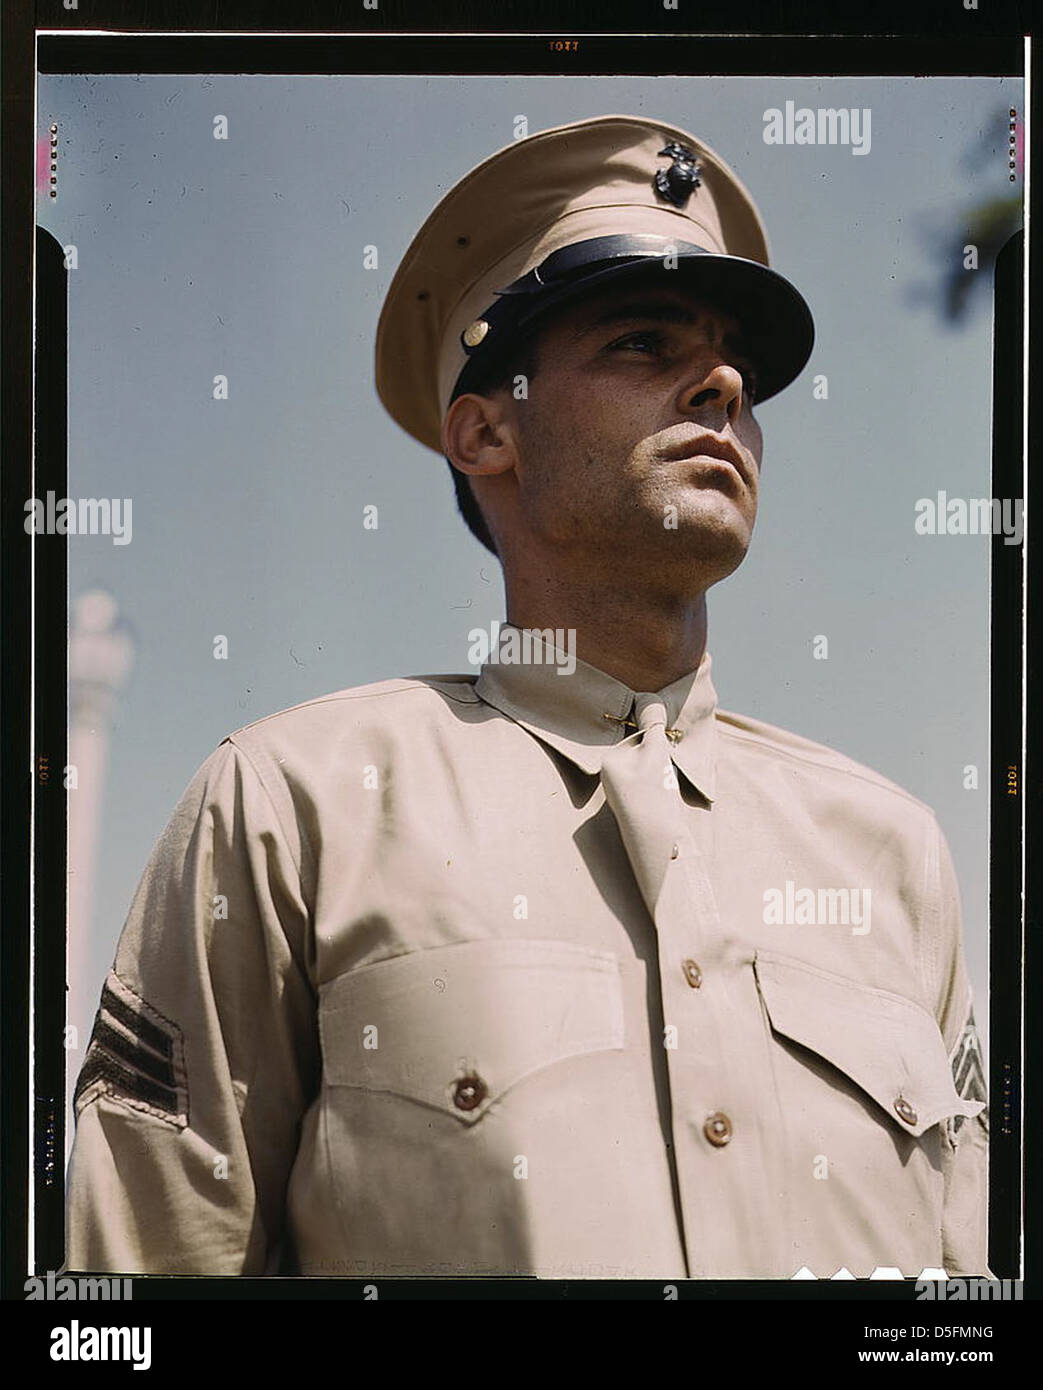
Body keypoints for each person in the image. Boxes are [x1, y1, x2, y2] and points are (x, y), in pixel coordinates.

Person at [67, 114, 988, 1279]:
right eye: (644, 344)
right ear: (486, 429)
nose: (719, 386)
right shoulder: (291, 809)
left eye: (734, 371)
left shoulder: (892, 856)